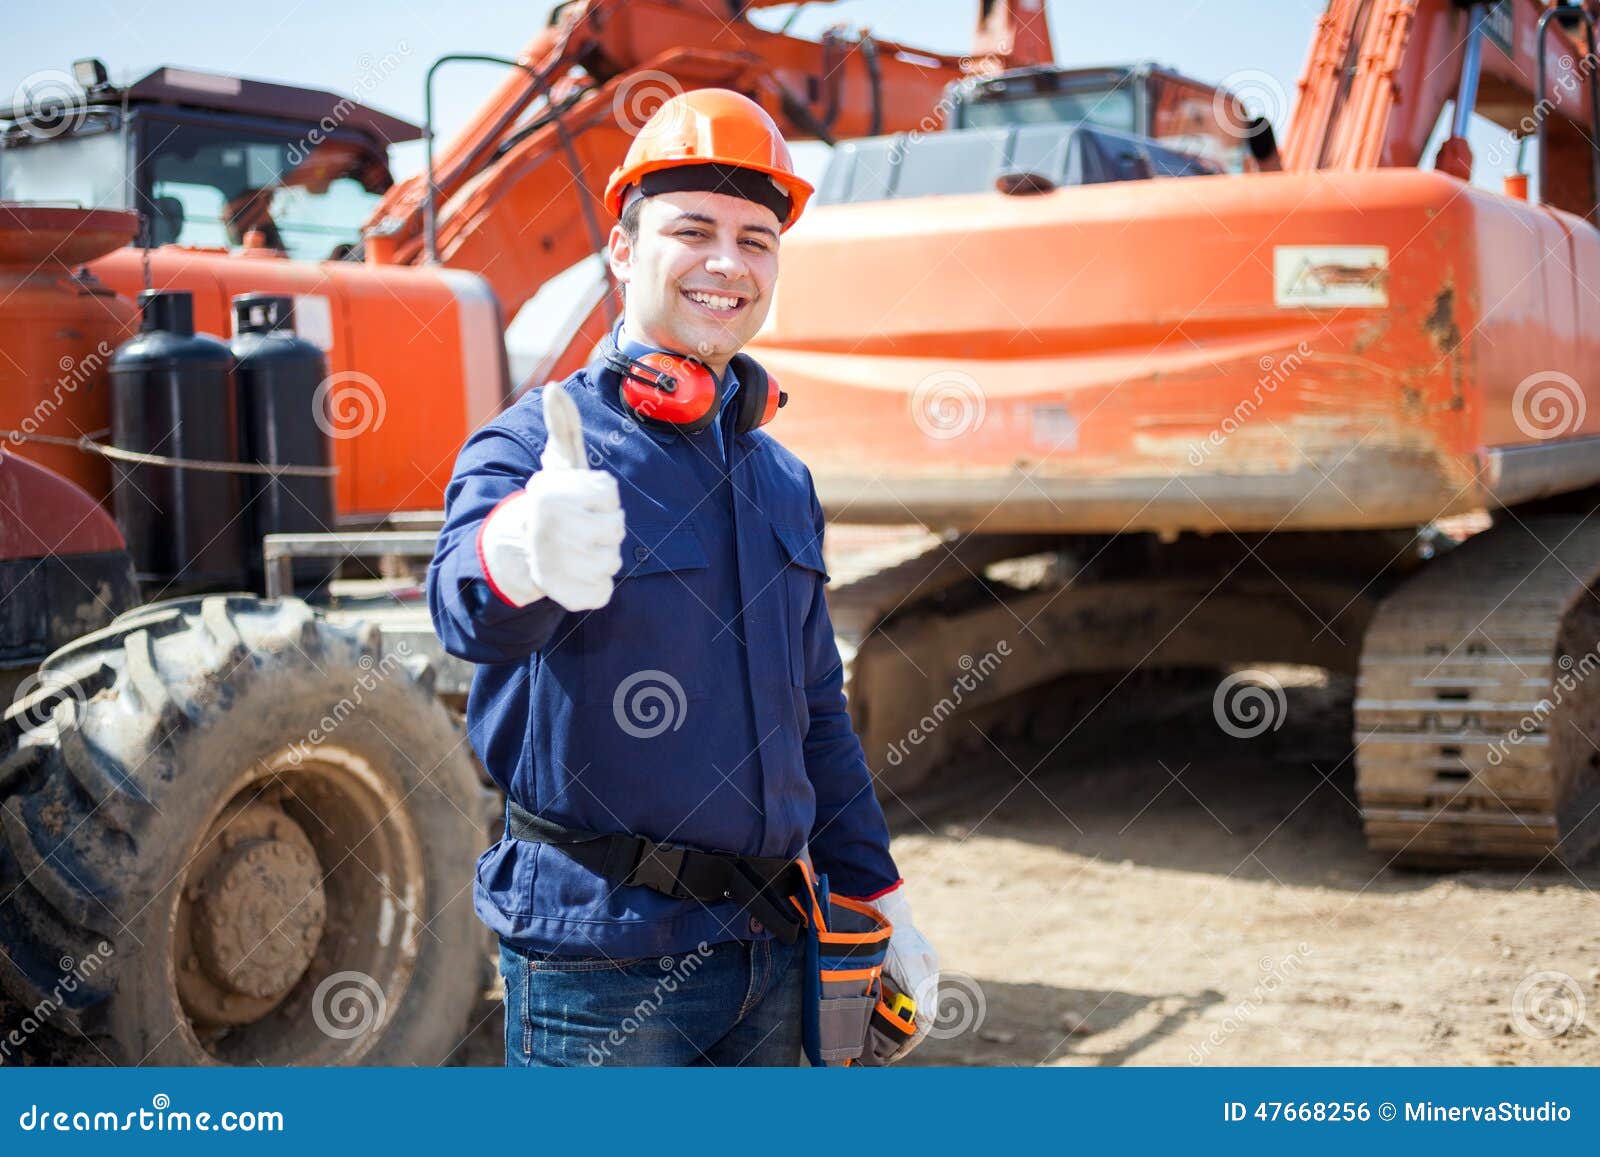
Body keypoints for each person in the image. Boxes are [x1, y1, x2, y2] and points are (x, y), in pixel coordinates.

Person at [428, 88, 939, 1067]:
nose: (726, 262)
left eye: (756, 240)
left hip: (771, 949)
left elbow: (817, 713)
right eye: (692, 229)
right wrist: (523, 546)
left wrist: (879, 895)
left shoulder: (780, 476)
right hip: (601, 964)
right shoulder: (539, 442)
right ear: (622, 250)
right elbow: (465, 609)